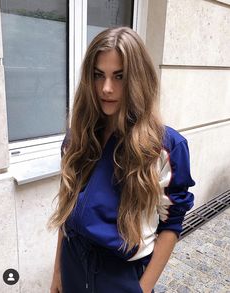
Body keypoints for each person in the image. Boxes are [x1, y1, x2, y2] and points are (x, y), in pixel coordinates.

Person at [48, 27, 195, 293]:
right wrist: (57, 271)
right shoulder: (77, 137)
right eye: (98, 75)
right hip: (72, 262)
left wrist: (143, 288)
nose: (106, 88)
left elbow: (171, 224)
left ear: (138, 79)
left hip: (119, 275)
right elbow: (66, 208)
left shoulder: (166, 147)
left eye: (119, 76)